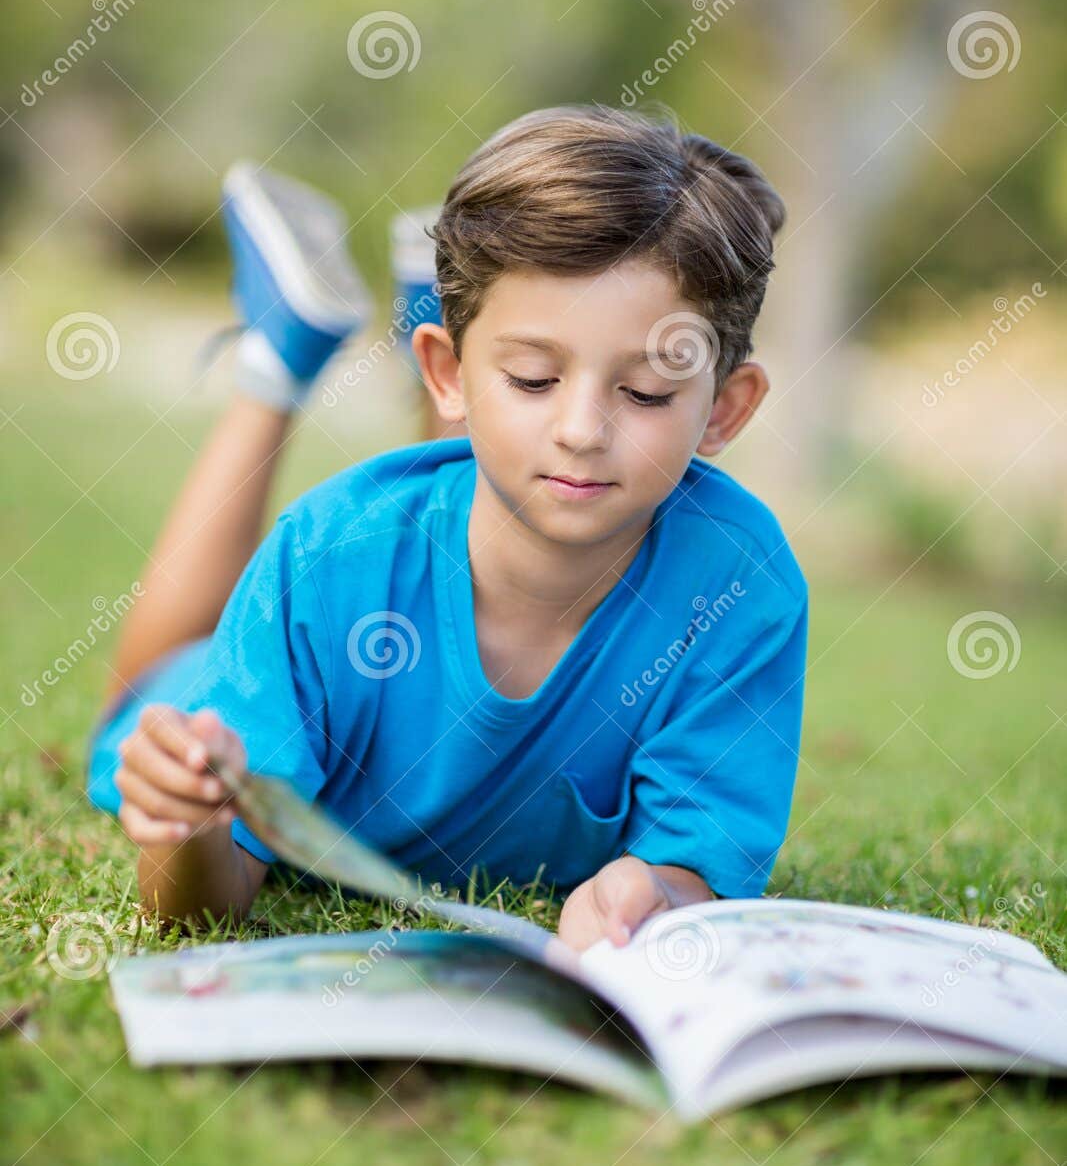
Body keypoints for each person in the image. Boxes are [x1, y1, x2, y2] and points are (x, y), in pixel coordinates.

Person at [84, 103, 808, 950]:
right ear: (447, 373)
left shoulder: (736, 586)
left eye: (645, 392)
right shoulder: (326, 558)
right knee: (140, 691)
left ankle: (457, 329)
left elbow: (693, 867)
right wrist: (189, 824)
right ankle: (279, 355)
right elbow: (199, 910)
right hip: (252, 676)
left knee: (505, 473)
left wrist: (649, 891)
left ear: (725, 408)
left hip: (410, 564)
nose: (583, 430)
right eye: (534, 377)